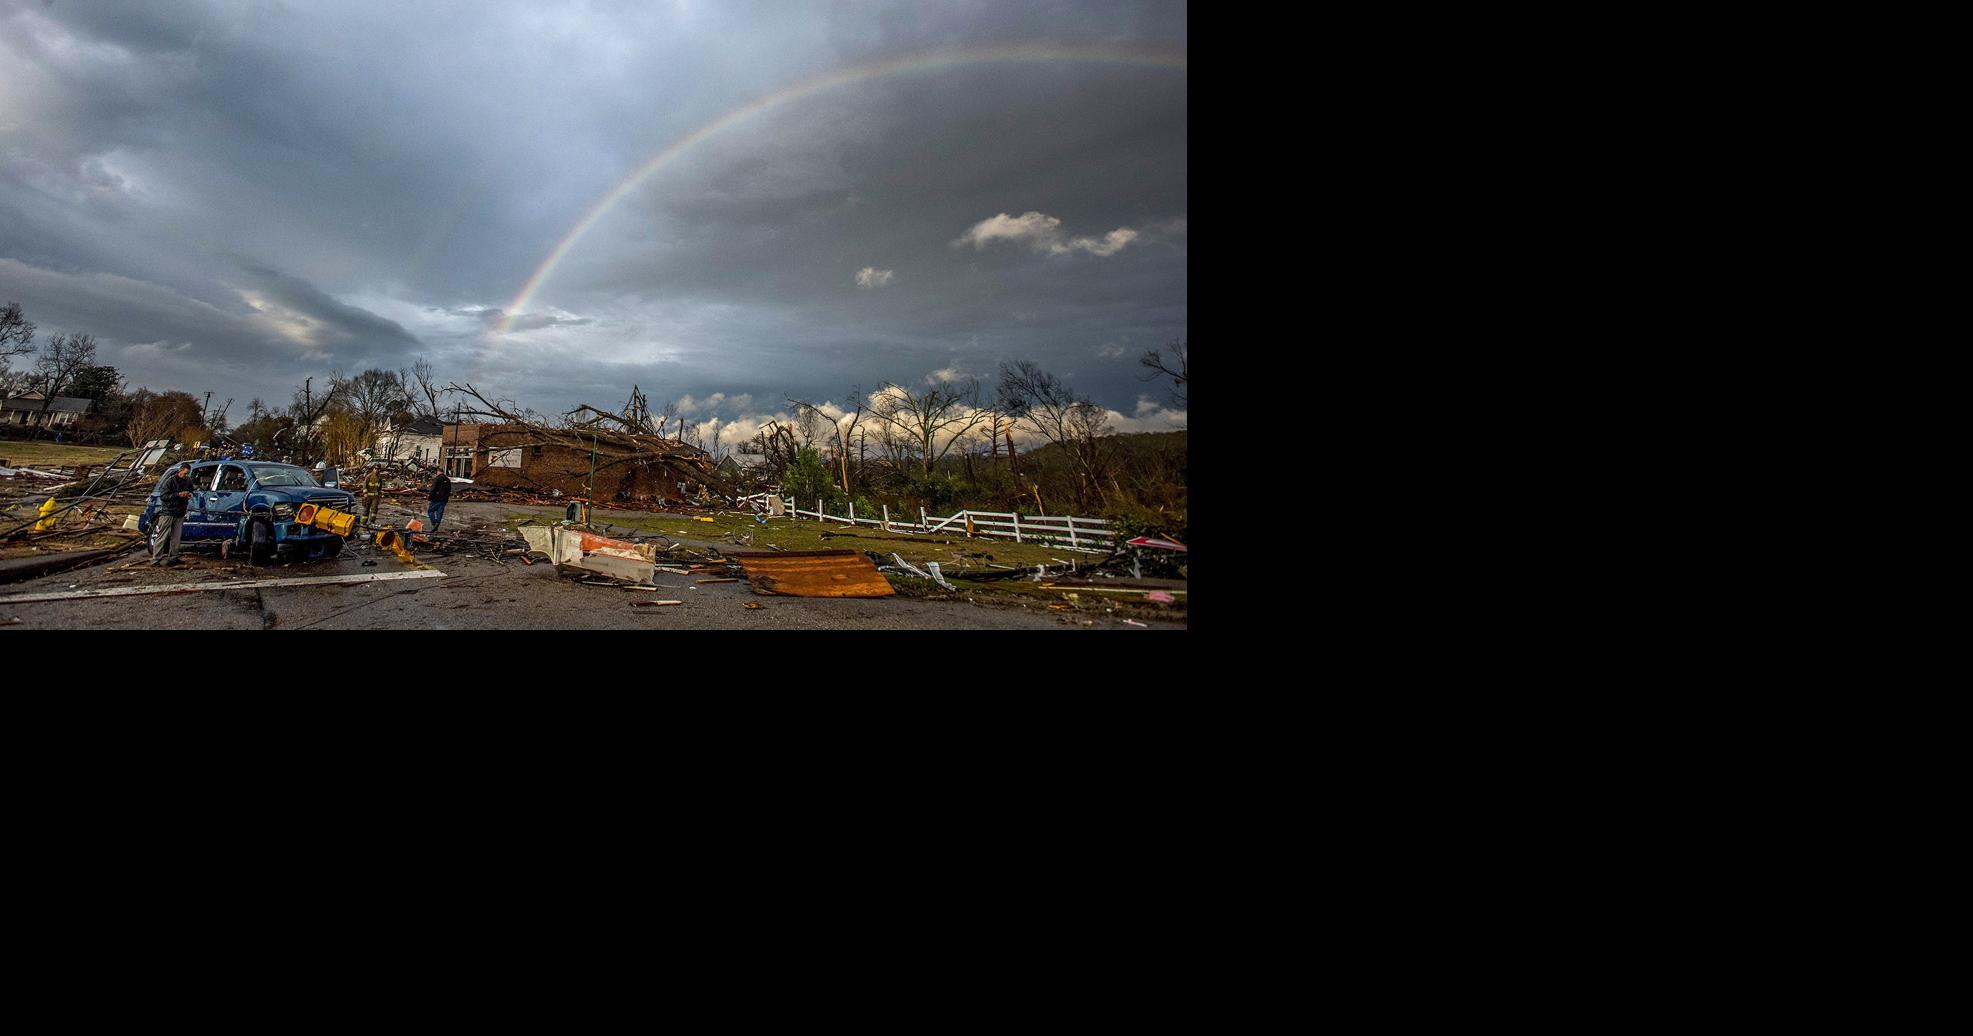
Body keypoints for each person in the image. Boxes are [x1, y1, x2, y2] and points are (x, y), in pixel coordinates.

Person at [151, 462, 196, 566]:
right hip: (168, 512)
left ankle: (173, 557)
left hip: (180, 511)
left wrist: (189, 494)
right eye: (184, 473)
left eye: (187, 474)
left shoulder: (187, 481)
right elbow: (163, 496)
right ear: (180, 471)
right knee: (162, 535)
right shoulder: (170, 481)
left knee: (176, 536)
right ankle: (156, 558)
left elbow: (191, 490)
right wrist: (177, 495)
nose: (186, 476)